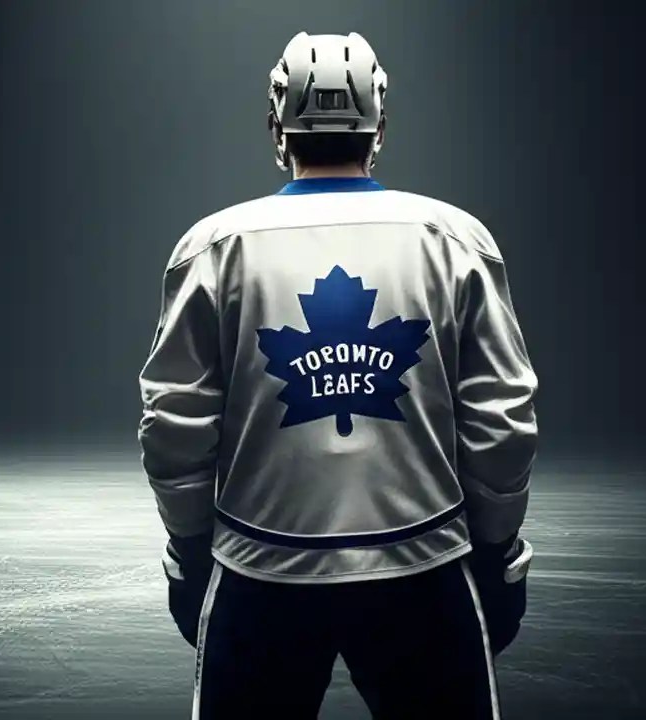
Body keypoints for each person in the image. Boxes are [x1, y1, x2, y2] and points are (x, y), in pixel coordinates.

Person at [137, 31, 539, 720]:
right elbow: (500, 417)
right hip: (426, 565)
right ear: (379, 125)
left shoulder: (214, 247)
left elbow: (174, 424)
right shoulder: (454, 240)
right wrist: (496, 543)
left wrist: (190, 545)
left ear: (277, 125)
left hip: (261, 571)